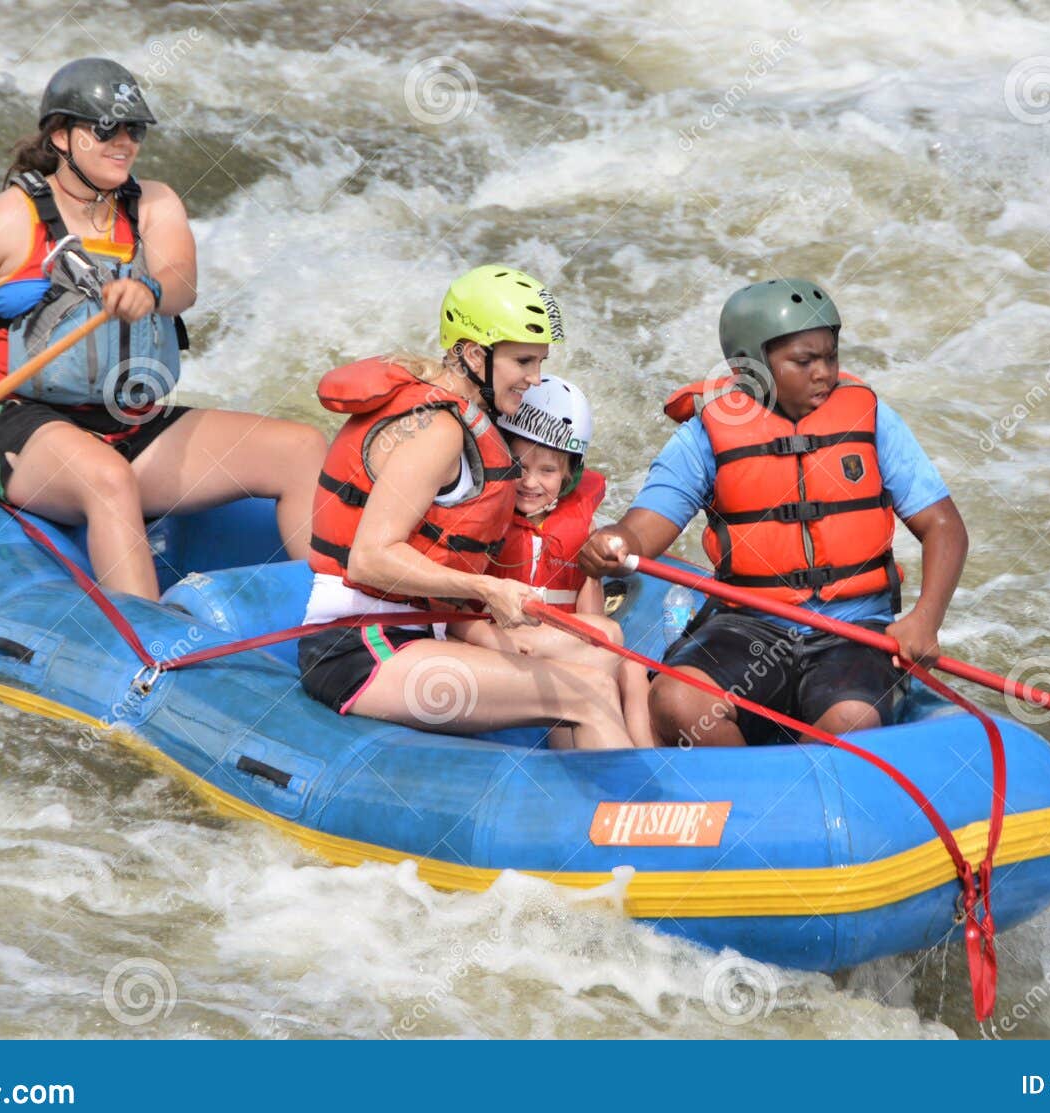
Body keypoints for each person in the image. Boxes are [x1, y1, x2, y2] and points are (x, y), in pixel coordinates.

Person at [0, 57, 326, 599]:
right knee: (108, 481)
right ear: (62, 136)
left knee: (301, 446)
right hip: (21, 425)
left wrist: (151, 290)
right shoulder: (11, 219)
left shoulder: (154, 204)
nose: (125, 142)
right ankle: (152, 654)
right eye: (106, 129)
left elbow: (180, 281)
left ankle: (338, 624)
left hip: (129, 423)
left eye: (133, 129)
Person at [580, 278, 968, 747]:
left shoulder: (871, 418)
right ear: (753, 368)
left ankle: (804, 789)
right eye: (804, 362)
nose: (824, 372)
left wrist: (926, 618)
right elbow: (645, 528)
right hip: (748, 626)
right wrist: (615, 543)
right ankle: (745, 795)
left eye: (830, 356)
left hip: (855, 629)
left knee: (852, 720)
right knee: (677, 702)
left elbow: (943, 526)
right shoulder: (708, 433)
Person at [298, 265, 635, 750]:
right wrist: (485, 587)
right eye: (523, 361)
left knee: (597, 652)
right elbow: (370, 557)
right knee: (590, 688)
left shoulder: (455, 412)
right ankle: (630, 820)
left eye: (539, 362)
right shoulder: (436, 429)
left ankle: (573, 792)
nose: (534, 378)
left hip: (414, 632)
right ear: (476, 354)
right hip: (359, 647)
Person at [454, 376, 655, 746]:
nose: (530, 481)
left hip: (556, 636)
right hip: (491, 635)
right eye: (519, 466)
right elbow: (454, 609)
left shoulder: (580, 525)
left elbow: (589, 620)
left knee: (631, 665)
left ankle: (649, 759)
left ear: (568, 475)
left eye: (547, 470)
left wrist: (593, 573)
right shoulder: (479, 520)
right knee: (597, 650)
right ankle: (574, 763)